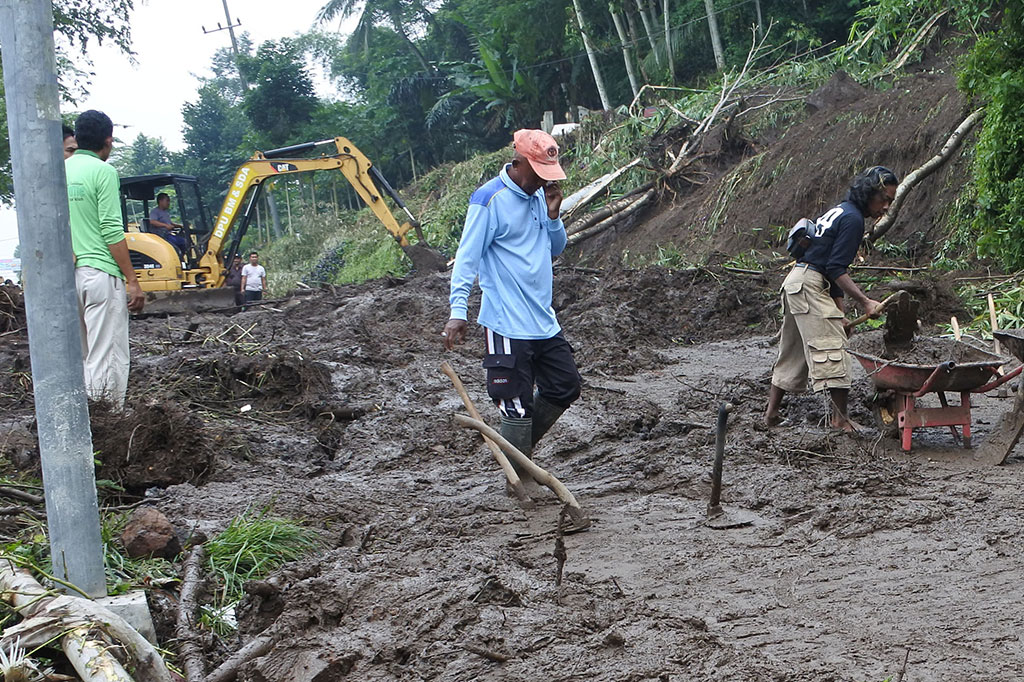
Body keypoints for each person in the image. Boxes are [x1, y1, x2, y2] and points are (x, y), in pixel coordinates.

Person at [443, 129, 582, 480]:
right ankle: (518, 480)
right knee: (516, 405)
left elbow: (555, 248)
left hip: (543, 320)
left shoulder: (539, 197)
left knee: (565, 385)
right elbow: (467, 258)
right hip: (506, 322)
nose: (543, 181)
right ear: (519, 162)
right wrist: (458, 312)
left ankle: (518, 459)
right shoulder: (489, 199)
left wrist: (553, 216)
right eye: (538, 173)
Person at [764, 166, 899, 433]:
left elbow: (829, 267)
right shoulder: (853, 220)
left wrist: (840, 313)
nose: (886, 207)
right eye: (884, 199)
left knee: (793, 350)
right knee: (834, 348)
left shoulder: (841, 210)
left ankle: (771, 415)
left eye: (890, 202)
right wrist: (865, 302)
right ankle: (839, 421)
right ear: (869, 193)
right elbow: (837, 269)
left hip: (797, 282)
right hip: (811, 284)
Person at [66, 110, 145, 407]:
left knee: (85, 355)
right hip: (100, 274)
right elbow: (111, 230)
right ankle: (107, 423)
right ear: (108, 141)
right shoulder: (103, 172)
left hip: (69, 276)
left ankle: (83, 424)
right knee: (108, 355)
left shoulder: (60, 171)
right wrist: (132, 279)